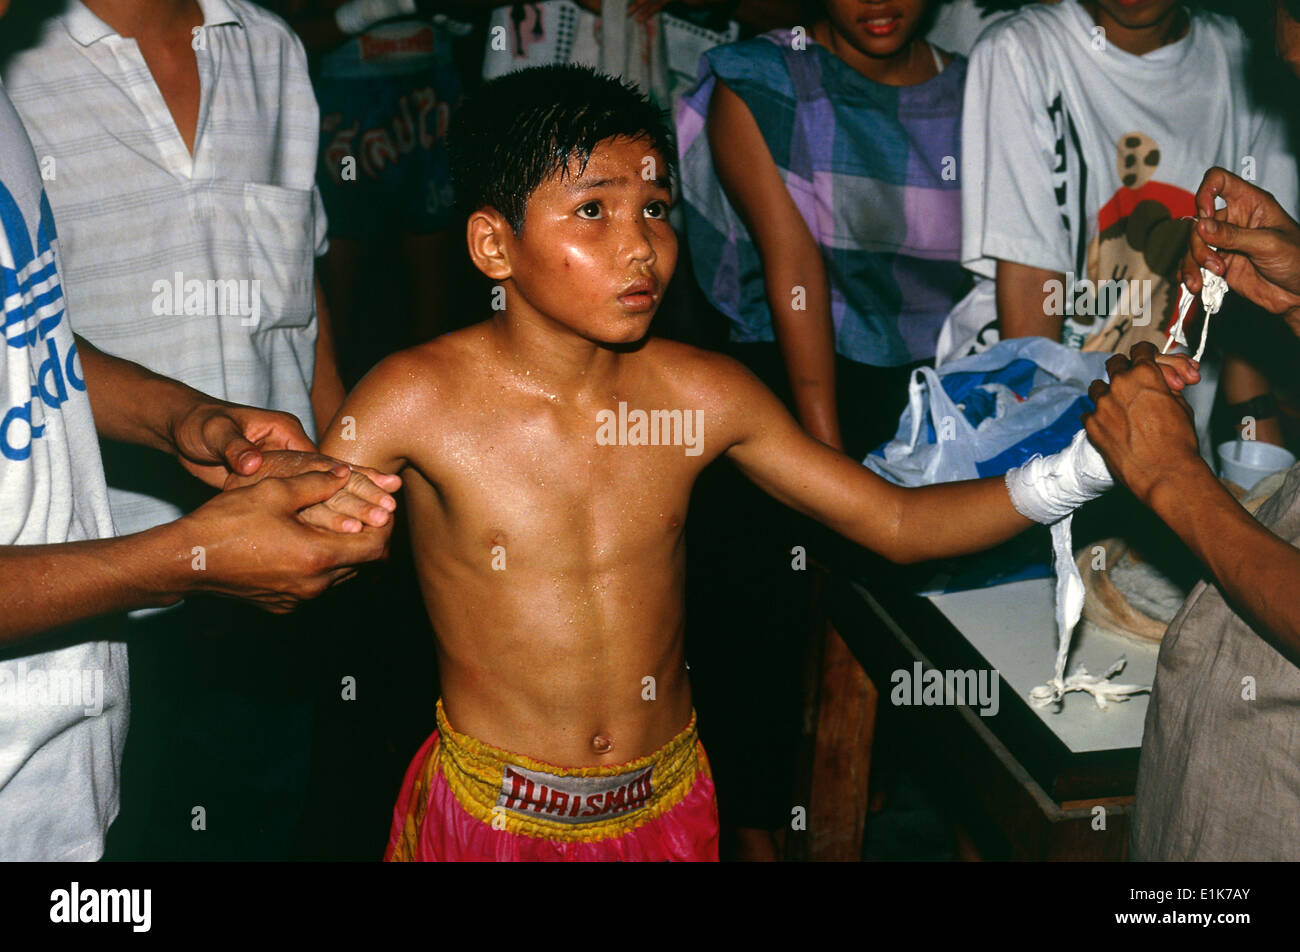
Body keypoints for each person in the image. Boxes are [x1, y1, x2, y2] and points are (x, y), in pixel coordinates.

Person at [308, 64, 1195, 861]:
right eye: (593, 210)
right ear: (495, 247)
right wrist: (277, 498)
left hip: (666, 808)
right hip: (492, 822)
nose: (639, 245)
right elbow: (283, 545)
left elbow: (893, 521)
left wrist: (1089, 462)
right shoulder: (412, 399)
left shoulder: (703, 396)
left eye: (655, 208)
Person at [0, 20, 398, 858]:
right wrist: (188, 555)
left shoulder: (270, 50)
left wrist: (182, 416)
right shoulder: (28, 65)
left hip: (75, 743)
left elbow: (26, 336)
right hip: (111, 600)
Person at [674, 0, 968, 858]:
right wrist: (828, 462)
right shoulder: (765, 80)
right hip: (794, 359)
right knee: (753, 575)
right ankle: (754, 825)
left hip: (937, 379)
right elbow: (792, 268)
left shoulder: (982, 87)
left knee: (939, 602)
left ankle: (875, 772)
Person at [947, 0, 1298, 455]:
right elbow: (1030, 306)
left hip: (1165, 432)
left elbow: (1254, 291)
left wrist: (1257, 453)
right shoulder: (1021, 51)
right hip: (1020, 415)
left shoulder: (1245, 57)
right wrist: (1044, 460)